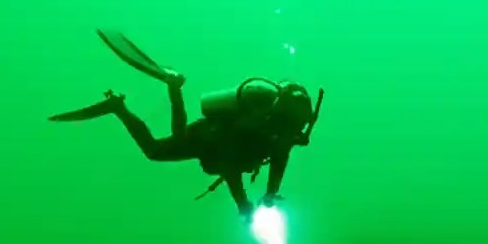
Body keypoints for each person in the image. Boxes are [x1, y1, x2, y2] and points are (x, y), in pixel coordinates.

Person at [50, 29, 324, 222]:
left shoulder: (281, 135)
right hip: (211, 138)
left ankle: (120, 106)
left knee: (157, 149)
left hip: (217, 144)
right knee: (159, 148)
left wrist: (269, 194)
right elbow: (231, 167)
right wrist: (244, 205)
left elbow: (277, 164)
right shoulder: (269, 132)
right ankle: (170, 87)